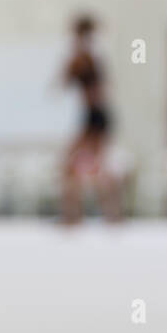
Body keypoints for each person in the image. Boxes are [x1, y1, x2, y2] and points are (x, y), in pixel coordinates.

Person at [59, 14, 120, 224]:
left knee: (72, 165)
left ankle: (73, 216)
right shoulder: (91, 56)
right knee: (96, 167)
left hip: (94, 116)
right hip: (96, 115)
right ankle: (108, 215)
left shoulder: (84, 57)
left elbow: (65, 80)